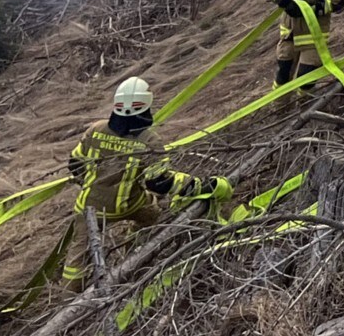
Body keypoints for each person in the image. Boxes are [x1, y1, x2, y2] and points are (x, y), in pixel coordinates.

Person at [63, 77, 227, 282]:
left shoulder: (95, 129)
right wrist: (201, 186)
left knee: (77, 256)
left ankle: (70, 301)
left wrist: (89, 182)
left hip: (89, 206)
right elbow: (158, 183)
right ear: (146, 105)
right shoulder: (149, 140)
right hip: (129, 205)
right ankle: (135, 254)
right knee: (151, 215)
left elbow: (75, 163)